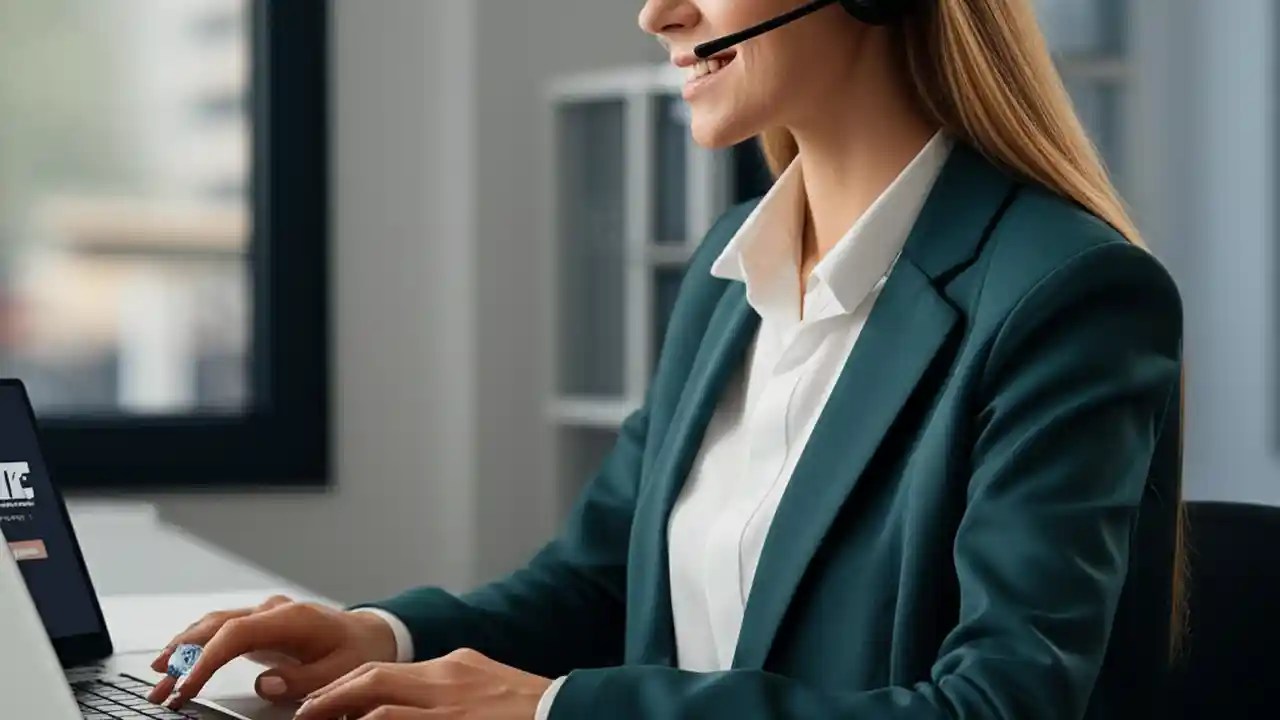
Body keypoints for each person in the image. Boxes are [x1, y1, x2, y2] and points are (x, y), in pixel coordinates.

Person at [149, 0, 1187, 718]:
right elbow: (600, 581)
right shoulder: (731, 268)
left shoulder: (1066, 297)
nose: (656, 13)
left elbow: (999, 705)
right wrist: (381, 637)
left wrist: (557, 710)